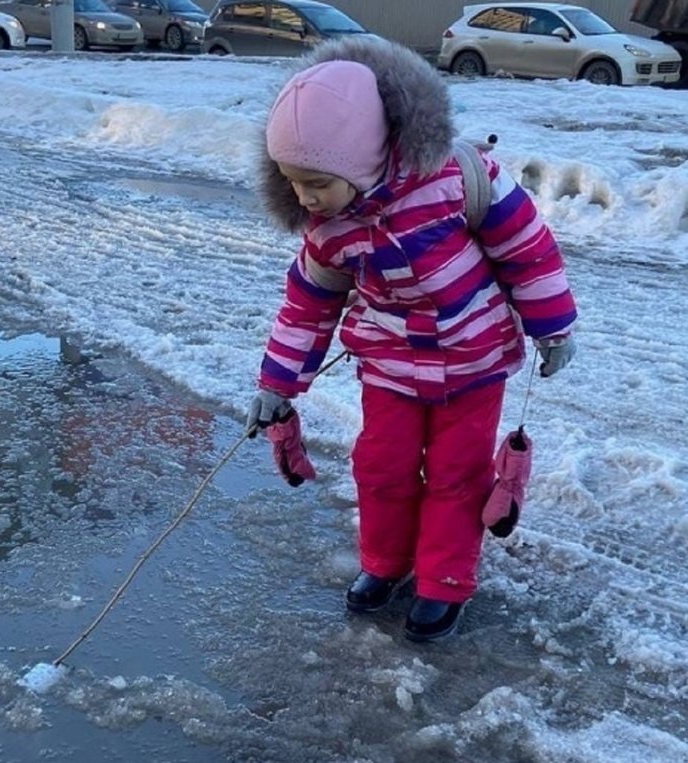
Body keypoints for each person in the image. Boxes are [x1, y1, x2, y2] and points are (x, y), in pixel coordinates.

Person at [244, 36, 578, 643]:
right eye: (292, 182)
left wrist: (552, 325)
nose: (305, 198)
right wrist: (277, 385)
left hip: (472, 366)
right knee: (381, 467)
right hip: (390, 369)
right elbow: (308, 306)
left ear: (362, 158)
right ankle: (386, 563)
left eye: (317, 181)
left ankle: (443, 582)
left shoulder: (460, 181)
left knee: (457, 475)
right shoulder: (328, 232)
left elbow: (528, 250)